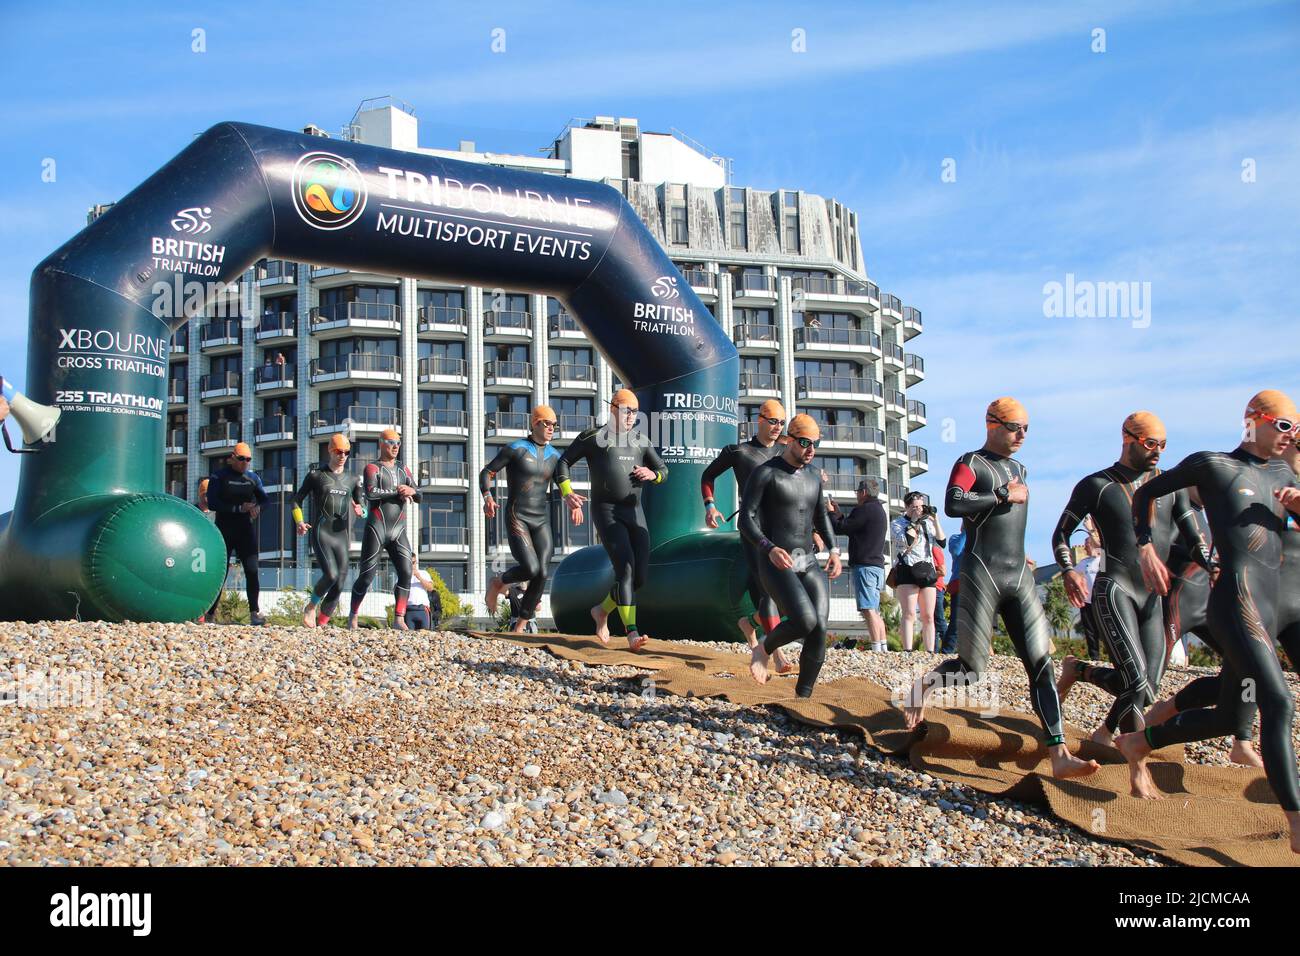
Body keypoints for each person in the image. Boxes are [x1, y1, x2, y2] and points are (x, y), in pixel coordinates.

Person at [1115, 391, 1300, 853]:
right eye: (1282, 426)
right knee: (1277, 702)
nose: (1289, 437)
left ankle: (1141, 741)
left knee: (1228, 714)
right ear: (1253, 421)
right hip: (1239, 601)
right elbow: (1147, 493)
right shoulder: (1213, 465)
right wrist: (1145, 548)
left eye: (1294, 430)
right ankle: (1296, 822)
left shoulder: (1287, 473)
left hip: (1287, 604)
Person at [903, 397, 1099, 780]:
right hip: (982, 574)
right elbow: (953, 504)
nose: (1021, 434)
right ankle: (923, 684)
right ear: (991, 424)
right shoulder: (970, 463)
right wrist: (1002, 495)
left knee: (1041, 662)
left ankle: (1058, 752)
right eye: (1014, 427)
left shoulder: (1020, 468)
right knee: (973, 670)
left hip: (1018, 576)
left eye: (1026, 428)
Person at [1051, 412, 1211, 745]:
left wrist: (1215, 567)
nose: (1158, 452)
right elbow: (1061, 534)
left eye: (1163, 445)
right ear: (1128, 438)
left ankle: (1079, 674)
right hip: (1115, 589)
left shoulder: (1172, 487)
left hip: (1153, 597)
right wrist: (1068, 570)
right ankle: (1128, 760)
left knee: (1147, 688)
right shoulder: (1097, 485)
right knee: (1134, 679)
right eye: (1150, 443)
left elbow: (1194, 538)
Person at [740, 414, 843, 697]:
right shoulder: (766, 473)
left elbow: (821, 517)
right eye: (805, 442)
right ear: (789, 440)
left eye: (816, 444)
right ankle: (764, 648)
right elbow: (745, 520)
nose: (811, 449)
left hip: (807, 561)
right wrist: (768, 548)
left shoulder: (813, 476)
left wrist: (834, 550)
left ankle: (803, 697)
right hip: (776, 561)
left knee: (820, 628)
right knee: (804, 621)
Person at [556, 389, 667, 651]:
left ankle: (601, 611)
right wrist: (567, 493)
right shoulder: (593, 437)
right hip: (606, 511)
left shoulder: (641, 440)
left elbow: (663, 469)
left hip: (634, 511)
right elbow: (563, 463)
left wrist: (653, 475)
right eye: (627, 411)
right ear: (613, 409)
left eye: (635, 412)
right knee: (625, 570)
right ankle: (631, 633)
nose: (631, 417)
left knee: (638, 578)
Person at [700, 398, 791, 670]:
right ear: (759, 420)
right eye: (773, 421)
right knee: (767, 591)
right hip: (752, 528)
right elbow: (707, 476)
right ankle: (776, 653)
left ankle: (748, 624)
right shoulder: (740, 452)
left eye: (781, 423)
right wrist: (711, 507)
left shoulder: (785, 452)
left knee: (785, 594)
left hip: (781, 530)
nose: (777, 427)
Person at [481, 405, 576, 634]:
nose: (552, 428)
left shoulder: (555, 455)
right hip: (518, 517)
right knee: (531, 568)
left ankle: (520, 627)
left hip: (540, 519)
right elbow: (487, 472)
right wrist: (487, 496)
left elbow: (562, 479)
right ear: (534, 423)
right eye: (547, 423)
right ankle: (498, 582)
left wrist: (569, 497)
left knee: (543, 572)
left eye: (554, 424)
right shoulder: (516, 449)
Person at [348, 427, 421, 630]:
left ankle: (399, 618)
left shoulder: (403, 469)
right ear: (381, 443)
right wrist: (398, 492)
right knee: (367, 575)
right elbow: (371, 494)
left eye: (398, 443)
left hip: (398, 530)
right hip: (377, 528)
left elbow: (419, 495)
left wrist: (412, 490)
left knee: (406, 572)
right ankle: (353, 614)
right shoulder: (373, 467)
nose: (395, 447)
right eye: (391, 443)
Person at [293, 433, 364, 628]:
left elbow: (362, 504)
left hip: (341, 534)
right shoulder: (316, 475)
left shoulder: (352, 478)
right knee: (331, 575)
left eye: (346, 452)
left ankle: (322, 624)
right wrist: (299, 521)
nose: (343, 456)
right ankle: (310, 607)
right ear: (330, 451)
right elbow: (296, 500)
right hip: (322, 531)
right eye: (339, 452)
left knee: (340, 583)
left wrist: (361, 509)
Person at [204, 442, 270, 626]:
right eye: (241, 459)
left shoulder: (252, 478)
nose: (245, 463)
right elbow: (213, 503)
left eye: (248, 459)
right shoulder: (219, 476)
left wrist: (257, 508)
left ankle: (254, 613)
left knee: (252, 569)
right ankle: (209, 614)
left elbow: (266, 500)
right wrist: (238, 508)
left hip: (244, 529)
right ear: (232, 458)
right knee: (220, 572)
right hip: (224, 528)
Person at [826, 477, 889, 651]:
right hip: (877, 565)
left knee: (868, 609)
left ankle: (877, 647)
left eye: (857, 492)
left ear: (863, 492)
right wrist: (839, 515)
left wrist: (831, 513)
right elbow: (851, 526)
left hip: (865, 566)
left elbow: (841, 528)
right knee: (874, 609)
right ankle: (883, 646)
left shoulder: (864, 510)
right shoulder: (879, 510)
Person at [890, 492, 946, 652]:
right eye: (914, 507)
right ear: (906, 507)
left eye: (921, 507)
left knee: (928, 616)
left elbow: (942, 542)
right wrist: (913, 521)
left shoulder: (927, 523)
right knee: (909, 614)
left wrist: (935, 521)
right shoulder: (897, 523)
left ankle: (930, 651)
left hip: (927, 569)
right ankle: (907, 650)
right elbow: (906, 542)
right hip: (907, 569)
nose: (918, 510)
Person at [940, 530, 966, 653]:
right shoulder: (955, 538)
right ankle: (947, 651)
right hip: (960, 583)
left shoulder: (982, 538)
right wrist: (967, 531)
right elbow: (956, 551)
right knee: (956, 620)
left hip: (978, 583)